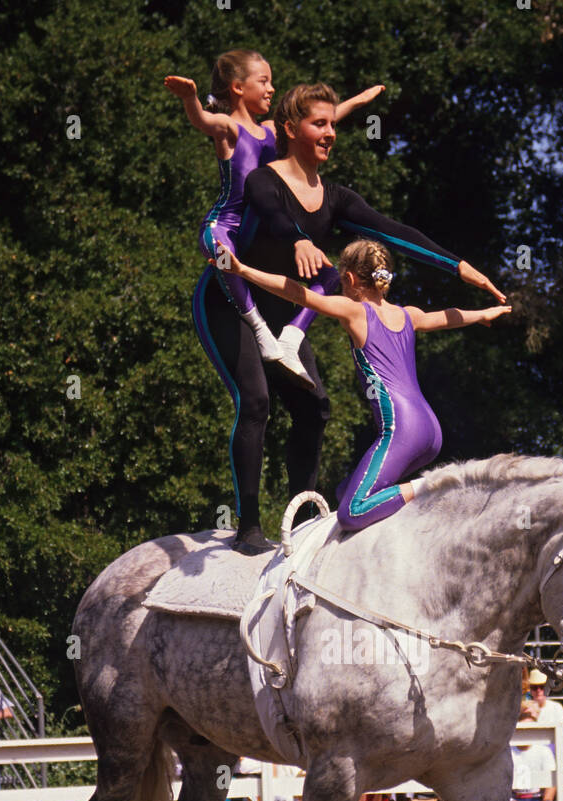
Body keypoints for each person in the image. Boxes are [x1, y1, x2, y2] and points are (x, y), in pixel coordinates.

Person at [192, 81, 505, 554]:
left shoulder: (336, 197)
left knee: (315, 410)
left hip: (287, 307)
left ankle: (297, 523)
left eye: (334, 124)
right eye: (320, 123)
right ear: (291, 128)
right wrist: (298, 238)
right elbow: (273, 216)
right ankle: (249, 528)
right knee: (256, 402)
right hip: (232, 298)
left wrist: (458, 266)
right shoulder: (264, 179)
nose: (331, 133)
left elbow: (394, 232)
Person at [224, 238, 510, 529]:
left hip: (402, 429)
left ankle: (436, 486)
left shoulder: (355, 311)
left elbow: (298, 294)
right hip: (430, 432)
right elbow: (447, 317)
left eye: (341, 281)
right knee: (344, 492)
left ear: (348, 278)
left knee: (353, 511)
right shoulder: (407, 314)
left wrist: (243, 270)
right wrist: (482, 314)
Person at [166, 53, 383, 382]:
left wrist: (356, 101)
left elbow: (320, 119)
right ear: (238, 88)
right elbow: (202, 122)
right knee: (221, 253)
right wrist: (190, 98)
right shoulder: (229, 127)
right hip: (225, 225)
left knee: (328, 275)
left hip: (259, 230)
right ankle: (260, 329)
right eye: (263, 81)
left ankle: (291, 338)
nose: (272, 89)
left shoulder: (271, 130)